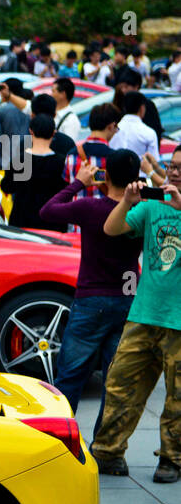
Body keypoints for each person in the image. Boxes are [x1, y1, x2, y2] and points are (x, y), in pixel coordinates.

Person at [39, 152, 144, 433]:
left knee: (71, 375)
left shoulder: (89, 208)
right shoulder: (143, 211)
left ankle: (58, 437)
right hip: (127, 296)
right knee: (116, 379)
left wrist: (77, 183)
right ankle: (107, 447)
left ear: (105, 176)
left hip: (90, 300)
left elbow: (47, 211)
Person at [96, 161, 181, 482]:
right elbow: (111, 229)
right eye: (172, 166)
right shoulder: (152, 207)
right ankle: (108, 451)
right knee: (120, 384)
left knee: (178, 395)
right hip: (143, 313)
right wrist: (127, 203)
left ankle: (172, 459)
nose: (174, 173)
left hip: (178, 321)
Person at [1, 114, 71, 231]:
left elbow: (6, 187)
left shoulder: (20, 160)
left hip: (22, 223)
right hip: (53, 224)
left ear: (31, 131)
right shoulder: (62, 162)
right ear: (53, 133)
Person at [109, 91, 160, 164]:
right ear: (142, 108)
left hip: (114, 173)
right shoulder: (149, 132)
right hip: (140, 174)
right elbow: (154, 162)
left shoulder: (112, 130)